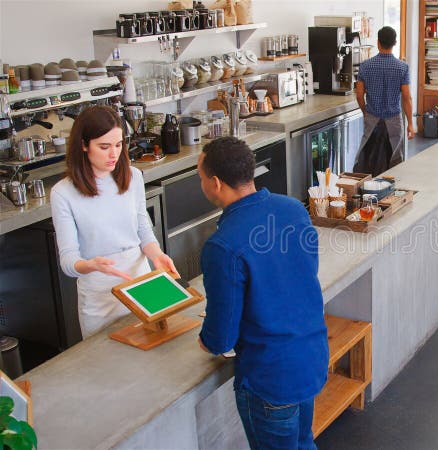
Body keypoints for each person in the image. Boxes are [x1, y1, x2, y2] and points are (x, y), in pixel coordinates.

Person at [196, 137, 329, 450]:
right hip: (310, 357)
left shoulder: (222, 245)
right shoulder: (294, 209)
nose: (201, 184)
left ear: (215, 183)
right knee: (303, 442)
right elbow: (302, 275)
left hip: (271, 377)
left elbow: (221, 339)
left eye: (200, 178)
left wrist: (206, 339)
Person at [50, 105, 177, 337]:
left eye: (119, 145)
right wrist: (90, 265)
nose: (113, 154)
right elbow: (68, 261)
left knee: (159, 350)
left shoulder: (133, 176)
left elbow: (142, 230)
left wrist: (157, 255)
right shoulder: (63, 193)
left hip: (141, 279)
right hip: (100, 293)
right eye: (104, 147)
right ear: (84, 145)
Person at [353, 26, 414, 176]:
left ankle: (367, 194)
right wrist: (411, 124)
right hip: (394, 121)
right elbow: (407, 98)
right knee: (394, 162)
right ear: (395, 43)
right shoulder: (402, 68)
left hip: (372, 120)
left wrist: (365, 112)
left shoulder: (365, 66)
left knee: (367, 161)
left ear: (378, 42)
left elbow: (359, 94)